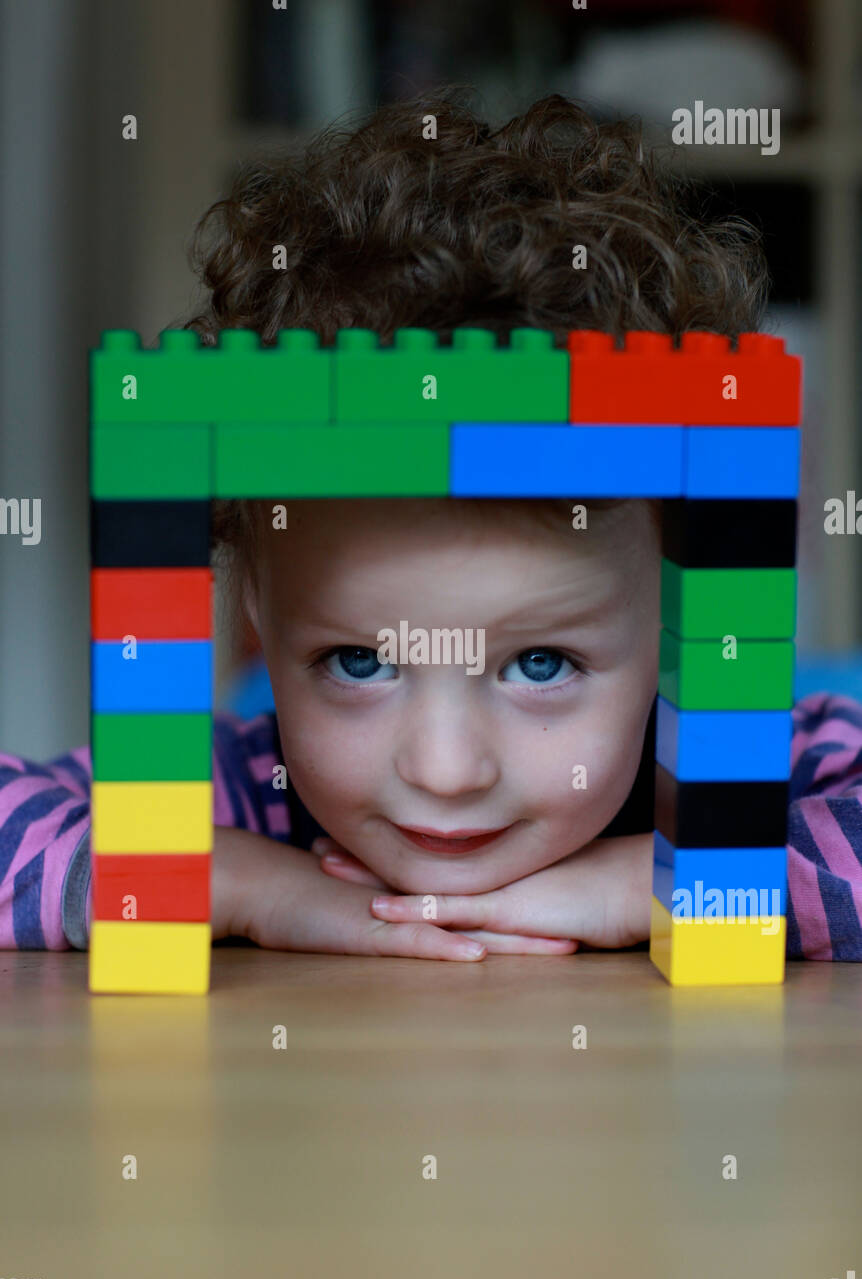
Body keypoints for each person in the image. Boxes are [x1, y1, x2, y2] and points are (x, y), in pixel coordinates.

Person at [3, 93, 860, 963]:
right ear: (256, 605)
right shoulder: (234, 791)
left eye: (540, 663)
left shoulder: (737, 769)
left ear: (682, 606)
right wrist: (242, 883)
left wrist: (691, 882)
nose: (447, 772)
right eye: (359, 661)